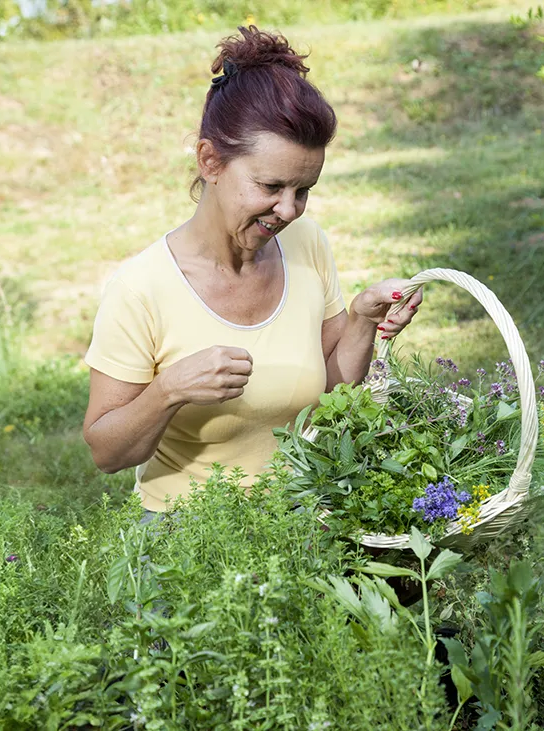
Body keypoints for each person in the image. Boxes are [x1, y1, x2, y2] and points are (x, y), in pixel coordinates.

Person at [82, 26, 422, 516]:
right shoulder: (141, 290)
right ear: (210, 160)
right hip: (188, 541)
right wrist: (169, 390)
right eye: (270, 185)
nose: (288, 210)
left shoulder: (307, 245)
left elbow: (333, 396)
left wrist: (364, 320)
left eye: (303, 190)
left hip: (303, 520)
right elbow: (107, 453)